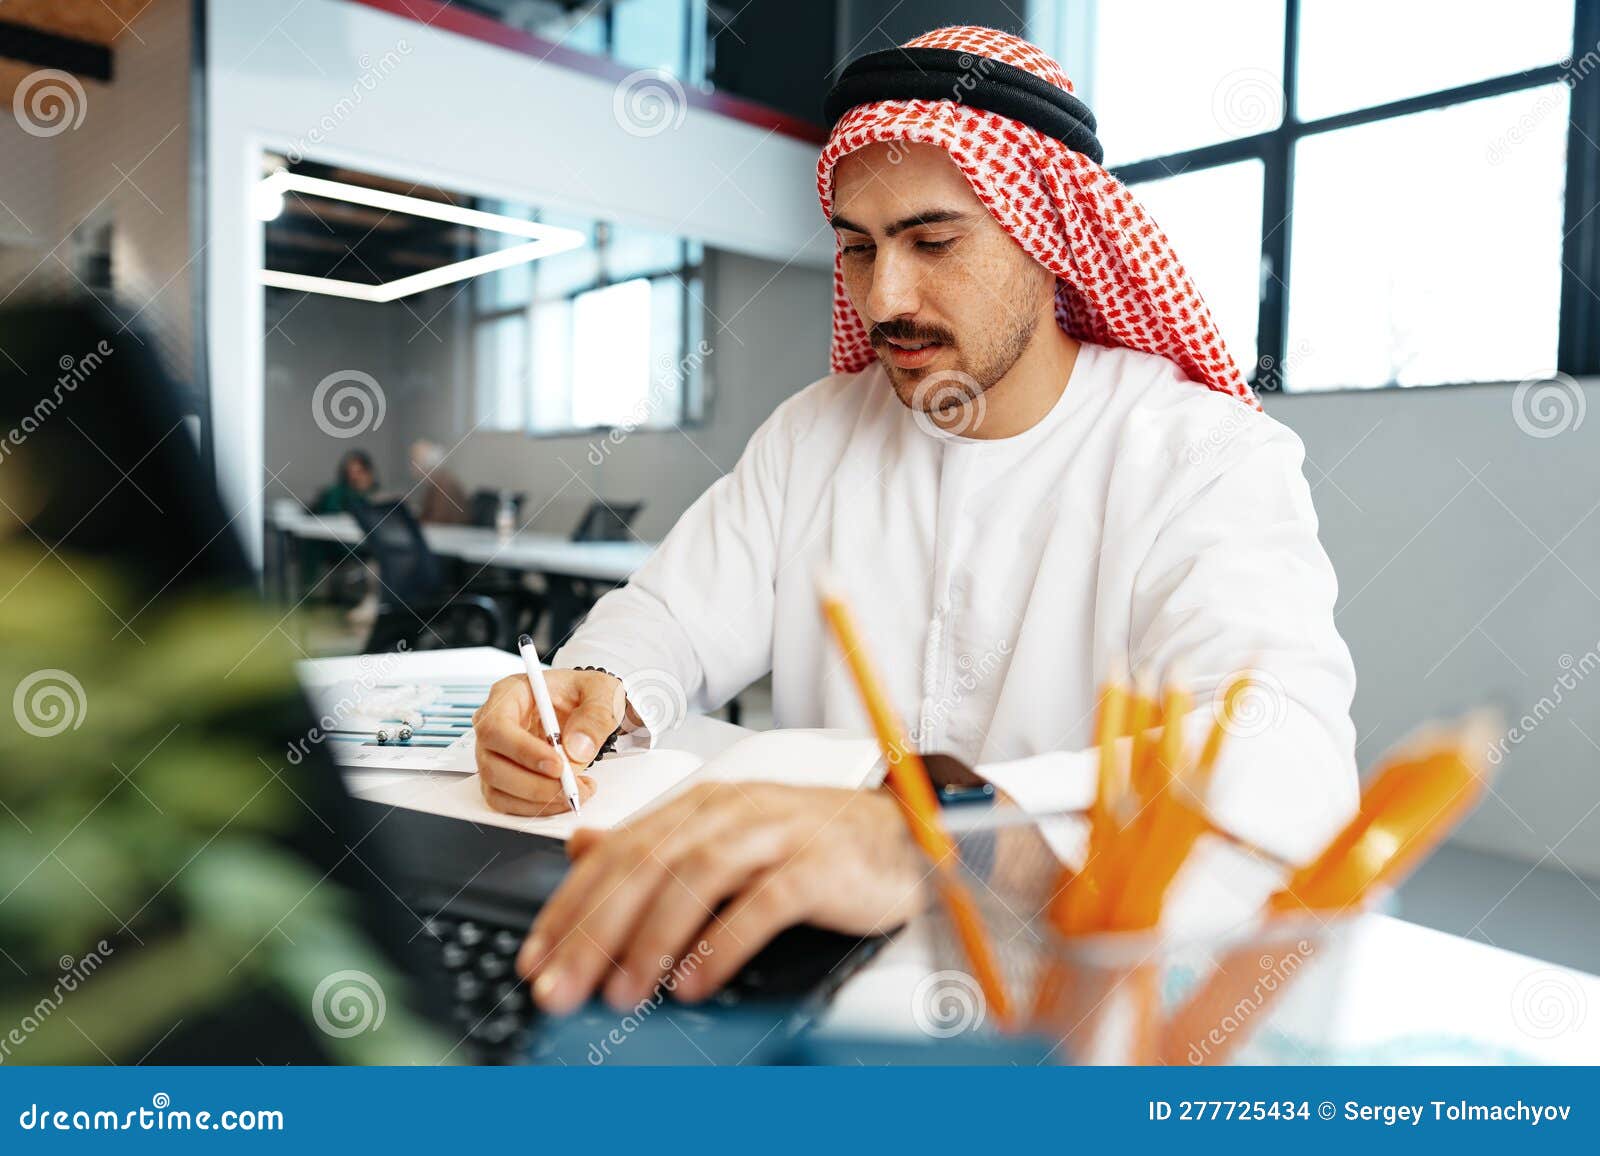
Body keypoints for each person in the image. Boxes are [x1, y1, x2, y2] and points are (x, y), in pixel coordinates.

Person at [473, 26, 1361, 1015]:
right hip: (791, 987)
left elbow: (1286, 763)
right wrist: (594, 691)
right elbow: (674, 617)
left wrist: (942, 837)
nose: (885, 295)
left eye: (933, 241)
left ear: (1049, 231)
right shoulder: (814, 433)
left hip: (1072, 1010)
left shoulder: (1200, 455)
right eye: (857, 249)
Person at [410, 438, 471, 524]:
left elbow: (437, 522)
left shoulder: (443, 486)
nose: (412, 467)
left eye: (415, 461)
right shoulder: (437, 482)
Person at [312, 448, 380, 514]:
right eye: (351, 473)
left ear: (368, 473)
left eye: (359, 472)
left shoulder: (376, 494)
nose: (355, 477)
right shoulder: (335, 495)